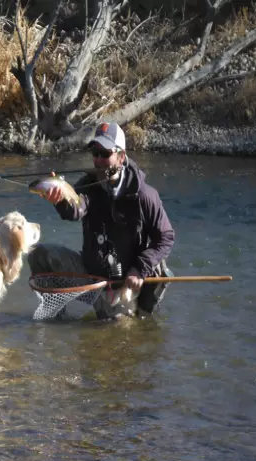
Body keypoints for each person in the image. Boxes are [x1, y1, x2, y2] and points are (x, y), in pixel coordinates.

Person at [28, 122, 175, 319]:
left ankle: (126, 312)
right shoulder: (88, 185)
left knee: (115, 335)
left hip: (125, 284)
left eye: (105, 154)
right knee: (38, 255)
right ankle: (55, 324)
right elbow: (75, 211)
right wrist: (60, 201)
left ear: (121, 156)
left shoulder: (145, 195)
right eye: (95, 153)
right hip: (91, 277)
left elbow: (166, 237)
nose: (98, 159)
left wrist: (140, 269)